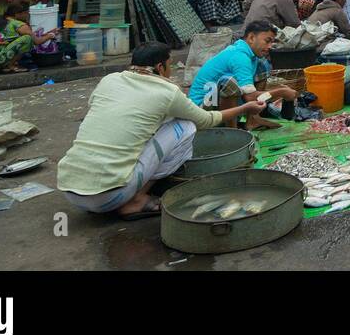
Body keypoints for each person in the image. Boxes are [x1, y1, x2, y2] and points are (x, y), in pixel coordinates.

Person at [59, 42, 264, 218]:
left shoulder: (109, 80)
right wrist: (245, 108)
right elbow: (205, 121)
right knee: (186, 127)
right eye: (170, 65)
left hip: (71, 192)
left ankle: (122, 188)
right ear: (160, 66)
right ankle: (137, 199)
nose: (171, 69)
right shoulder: (166, 91)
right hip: (109, 197)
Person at [188, 20, 300, 114]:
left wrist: (277, 92)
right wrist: (281, 92)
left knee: (263, 65)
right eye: (267, 41)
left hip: (217, 102)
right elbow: (250, 98)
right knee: (229, 82)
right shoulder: (240, 56)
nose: (270, 47)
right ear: (251, 38)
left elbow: (253, 95)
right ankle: (230, 130)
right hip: (202, 109)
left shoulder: (252, 56)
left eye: (272, 42)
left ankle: (252, 119)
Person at [0, 0, 58, 74]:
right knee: (27, 39)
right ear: (18, 14)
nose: (28, 15)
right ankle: (10, 66)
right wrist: (51, 35)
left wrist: (47, 34)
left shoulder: (0, 21)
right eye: (26, 12)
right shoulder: (19, 25)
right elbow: (36, 41)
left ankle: (7, 64)